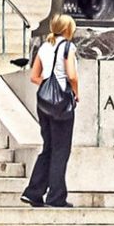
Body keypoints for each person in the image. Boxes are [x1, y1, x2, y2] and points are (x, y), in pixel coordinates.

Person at [21, 14, 80, 207]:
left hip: (43, 103)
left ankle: (33, 192)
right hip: (61, 104)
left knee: (48, 148)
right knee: (61, 150)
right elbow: (72, 75)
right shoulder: (68, 47)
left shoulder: (44, 47)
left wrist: (48, 86)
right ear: (67, 29)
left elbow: (34, 76)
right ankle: (56, 197)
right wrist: (76, 92)